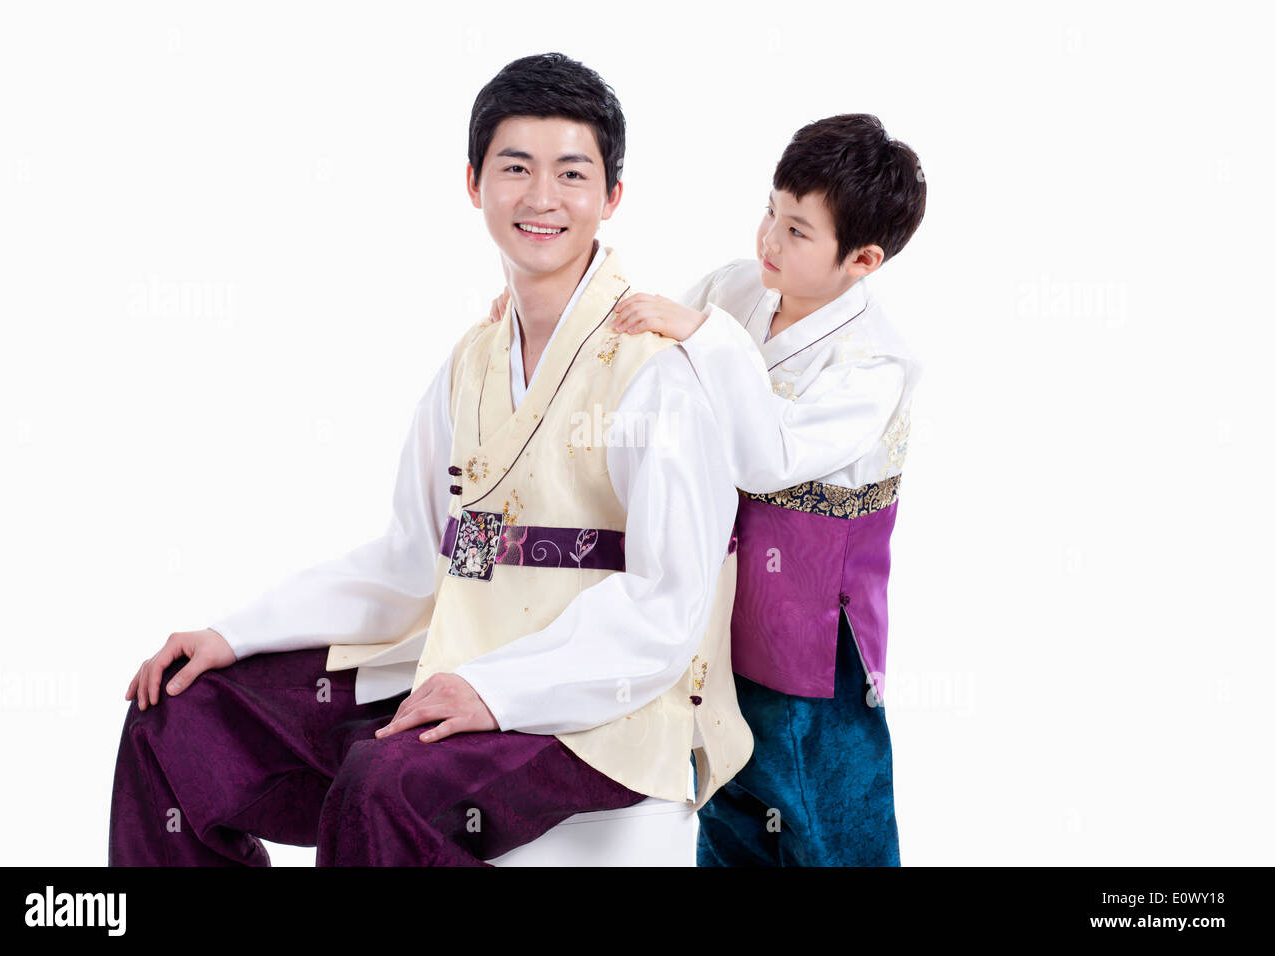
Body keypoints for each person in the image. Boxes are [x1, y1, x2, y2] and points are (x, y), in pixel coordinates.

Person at [109, 51, 752, 867]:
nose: (542, 198)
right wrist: (233, 635)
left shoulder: (657, 373)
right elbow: (413, 561)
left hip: (601, 708)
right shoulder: (474, 362)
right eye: (516, 168)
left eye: (571, 173)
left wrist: (493, 692)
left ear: (611, 197)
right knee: (176, 715)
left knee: (385, 781)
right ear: (476, 183)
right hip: (454, 659)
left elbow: (665, 611)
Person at [499, 113, 927, 865]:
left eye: (797, 231)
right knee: (727, 787)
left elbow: (770, 457)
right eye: (771, 210)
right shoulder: (741, 288)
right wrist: (547, 317)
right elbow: (645, 335)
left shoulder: (874, 363)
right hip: (719, 588)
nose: (768, 239)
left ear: (862, 259)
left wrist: (703, 335)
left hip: (809, 615)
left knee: (818, 802)